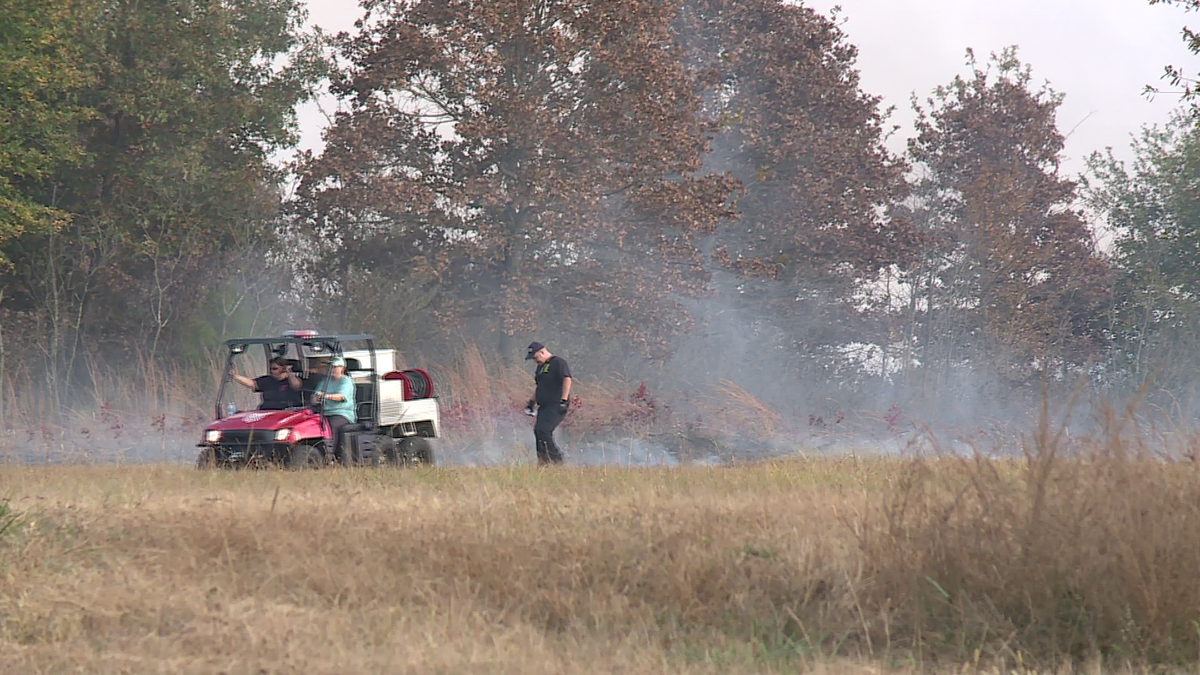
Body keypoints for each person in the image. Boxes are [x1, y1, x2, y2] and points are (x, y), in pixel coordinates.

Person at [524, 341, 572, 465]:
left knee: (544, 430)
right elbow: (539, 387)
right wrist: (531, 402)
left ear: (543, 352)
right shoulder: (540, 368)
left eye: (536, 357)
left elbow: (567, 379)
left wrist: (564, 400)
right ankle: (543, 462)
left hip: (556, 404)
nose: (535, 361)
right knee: (538, 431)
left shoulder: (558, 363)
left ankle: (557, 460)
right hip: (544, 405)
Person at [311, 356, 356, 465]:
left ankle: (331, 455)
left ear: (342, 368)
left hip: (342, 413)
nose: (333, 369)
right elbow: (314, 396)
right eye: (331, 367)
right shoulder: (325, 381)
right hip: (324, 412)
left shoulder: (346, 381)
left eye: (336, 367)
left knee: (332, 424)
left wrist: (326, 396)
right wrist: (315, 399)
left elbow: (341, 397)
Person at [231, 357, 302, 410]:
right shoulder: (267, 380)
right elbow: (252, 383)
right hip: (267, 410)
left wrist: (289, 372)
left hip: (286, 411)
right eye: (270, 369)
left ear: (283, 369)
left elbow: (296, 386)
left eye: (275, 369)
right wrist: (235, 376)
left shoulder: (292, 380)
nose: (272, 371)